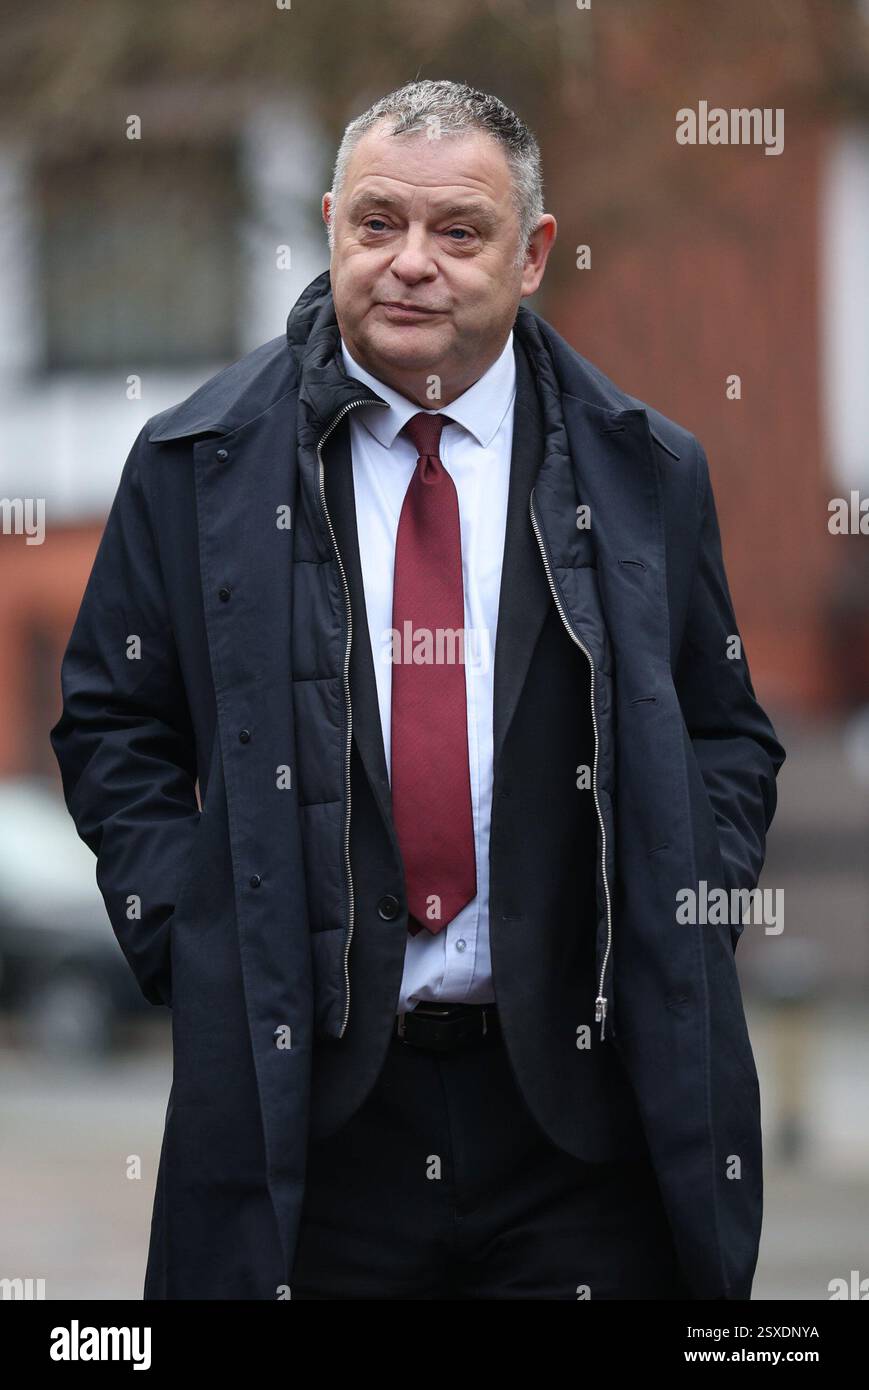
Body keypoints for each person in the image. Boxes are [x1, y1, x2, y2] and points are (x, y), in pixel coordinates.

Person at [50, 78, 785, 1301]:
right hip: (315, 1121)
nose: (410, 264)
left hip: (579, 1121)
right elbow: (112, 718)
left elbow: (724, 731)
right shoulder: (196, 464)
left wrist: (681, 910)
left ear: (533, 253)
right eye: (377, 223)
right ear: (331, 224)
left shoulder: (646, 468)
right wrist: (198, 938)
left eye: (458, 232)